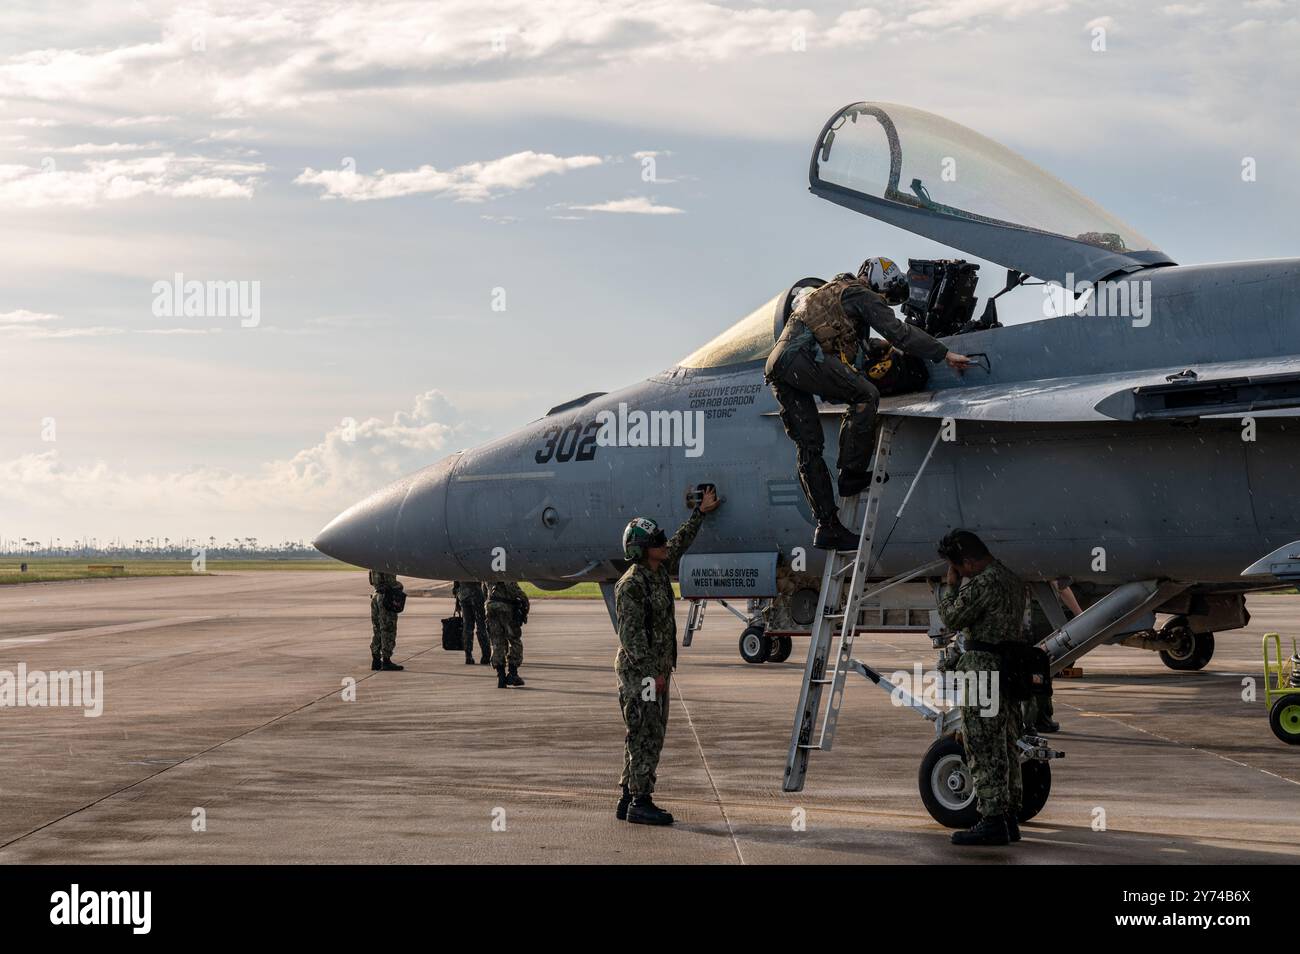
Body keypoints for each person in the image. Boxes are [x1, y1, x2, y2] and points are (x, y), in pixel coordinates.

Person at [765, 257, 973, 550]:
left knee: (809, 447)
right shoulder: (861, 294)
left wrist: (881, 348)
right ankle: (850, 473)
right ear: (883, 285)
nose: (885, 302)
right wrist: (943, 353)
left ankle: (828, 527)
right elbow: (898, 332)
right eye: (887, 297)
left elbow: (854, 350)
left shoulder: (832, 294)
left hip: (780, 364)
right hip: (803, 359)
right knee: (865, 396)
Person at [614, 487, 722, 826]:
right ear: (644, 550)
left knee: (642, 732)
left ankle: (627, 797)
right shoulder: (631, 585)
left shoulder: (657, 570)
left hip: (654, 669)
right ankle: (641, 802)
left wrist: (700, 513)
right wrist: (653, 675)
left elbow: (679, 542)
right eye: (656, 539)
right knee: (647, 734)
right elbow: (632, 639)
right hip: (642, 672)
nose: (664, 542)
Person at [935, 530, 1027, 846]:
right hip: (1008, 669)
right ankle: (1008, 818)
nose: (957, 573)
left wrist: (949, 587)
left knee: (982, 745)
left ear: (969, 562)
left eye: (958, 567)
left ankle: (991, 820)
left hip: (984, 671)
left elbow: (952, 617)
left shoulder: (985, 582)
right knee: (1006, 744)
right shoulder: (1012, 579)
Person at [486, 580, 529, 688]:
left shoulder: (488, 570)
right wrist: (525, 600)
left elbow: (485, 590)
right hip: (505, 608)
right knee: (514, 640)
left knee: (496, 642)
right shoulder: (504, 570)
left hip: (490, 606)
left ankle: (501, 676)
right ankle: (513, 674)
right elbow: (512, 588)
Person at [369, 571, 406, 671]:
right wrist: (400, 585)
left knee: (377, 629)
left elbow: (372, 581)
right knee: (388, 628)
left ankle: (376, 660)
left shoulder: (373, 563)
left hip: (376, 595)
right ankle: (386, 660)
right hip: (386, 597)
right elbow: (391, 583)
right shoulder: (385, 563)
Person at [453, 580, 490, 665]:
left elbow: (456, 587)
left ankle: (468, 656)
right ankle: (485, 655)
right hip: (476, 595)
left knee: (467, 628)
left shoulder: (459, 567)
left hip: (463, 597)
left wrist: (457, 603)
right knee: (481, 626)